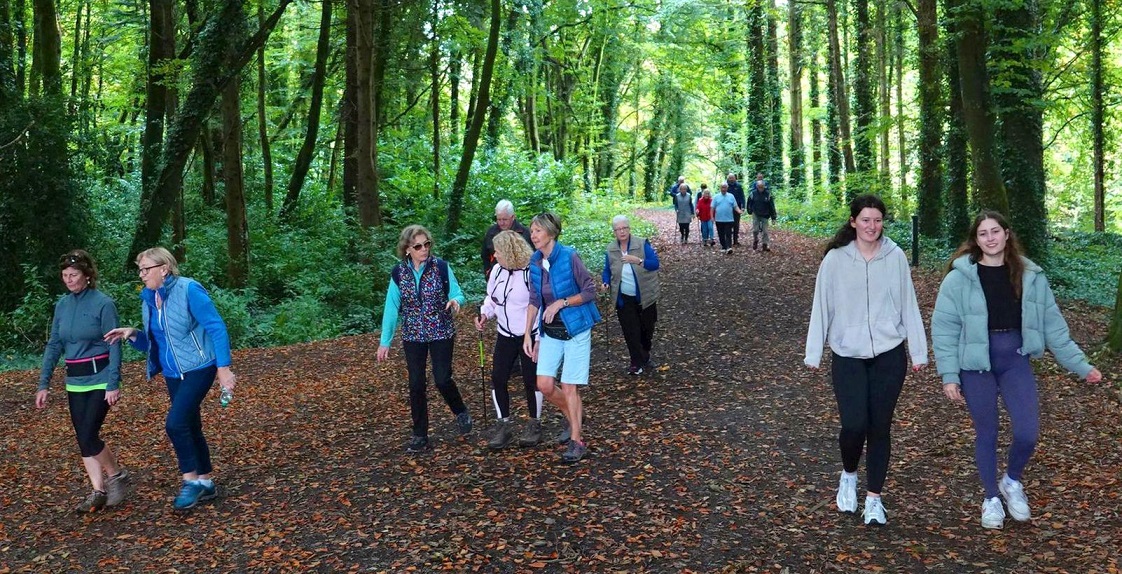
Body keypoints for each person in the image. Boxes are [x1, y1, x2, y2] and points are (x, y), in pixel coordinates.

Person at [931, 211, 1103, 530]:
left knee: (1027, 432)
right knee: (988, 432)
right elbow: (944, 329)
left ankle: (1011, 481)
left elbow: (1055, 329)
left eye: (995, 231)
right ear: (976, 240)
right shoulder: (958, 279)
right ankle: (991, 498)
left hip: (1015, 359)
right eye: (983, 234)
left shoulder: (1030, 276)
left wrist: (1082, 366)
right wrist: (949, 375)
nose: (990, 238)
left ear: (1007, 234)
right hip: (975, 365)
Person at [804, 195, 928, 526]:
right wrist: (814, 351)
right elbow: (822, 306)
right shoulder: (835, 260)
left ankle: (874, 498)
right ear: (853, 221)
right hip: (848, 356)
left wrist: (918, 351)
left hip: (889, 355)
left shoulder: (896, 256)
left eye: (877, 220)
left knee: (880, 427)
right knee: (854, 425)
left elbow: (908, 304)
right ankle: (848, 475)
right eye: (865, 220)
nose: (872, 226)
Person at [103, 247, 236, 511]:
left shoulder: (189, 290)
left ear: (164, 268)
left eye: (146, 269)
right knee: (190, 425)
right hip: (173, 372)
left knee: (175, 424)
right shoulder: (149, 299)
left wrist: (223, 368)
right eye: (140, 270)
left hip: (200, 367)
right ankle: (206, 482)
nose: (142, 275)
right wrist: (133, 334)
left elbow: (217, 327)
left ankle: (191, 482)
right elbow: (155, 344)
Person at [36, 250, 130, 512]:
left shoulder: (103, 304)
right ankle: (98, 491)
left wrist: (114, 383)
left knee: (89, 434)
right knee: (83, 438)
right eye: (65, 275)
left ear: (87, 276)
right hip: (74, 380)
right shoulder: (62, 306)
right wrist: (44, 383)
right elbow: (54, 345)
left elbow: (114, 346)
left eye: (74, 275)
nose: (69, 280)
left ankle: (116, 476)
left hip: (100, 378)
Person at [377, 225, 472, 453]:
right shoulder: (399, 273)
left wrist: (456, 301)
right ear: (407, 249)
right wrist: (385, 341)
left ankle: (460, 410)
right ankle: (420, 434)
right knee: (416, 384)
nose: (424, 249)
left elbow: (458, 293)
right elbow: (391, 306)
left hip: (441, 331)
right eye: (418, 246)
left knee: (442, 379)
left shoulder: (440, 267)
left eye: (426, 244)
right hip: (413, 335)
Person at [523, 212, 601, 463]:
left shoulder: (569, 257)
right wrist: (528, 334)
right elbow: (535, 300)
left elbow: (590, 290)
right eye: (531, 230)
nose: (532, 235)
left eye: (537, 230)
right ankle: (573, 413)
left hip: (576, 326)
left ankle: (577, 441)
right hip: (551, 331)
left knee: (569, 384)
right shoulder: (534, 262)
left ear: (551, 232)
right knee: (544, 384)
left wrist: (562, 302)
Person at [476, 230, 543, 449]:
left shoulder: (531, 271)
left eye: (498, 251)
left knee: (531, 380)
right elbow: (492, 299)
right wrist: (485, 314)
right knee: (498, 377)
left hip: (528, 334)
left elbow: (539, 303)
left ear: (509, 251)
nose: (494, 255)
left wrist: (539, 337)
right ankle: (503, 425)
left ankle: (535, 423)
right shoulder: (497, 271)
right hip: (505, 333)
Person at [601, 215, 660, 375]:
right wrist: (605, 281)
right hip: (624, 298)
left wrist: (638, 260)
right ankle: (636, 362)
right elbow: (607, 270)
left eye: (624, 228)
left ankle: (645, 353)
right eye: (618, 229)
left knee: (647, 330)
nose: (622, 231)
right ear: (614, 232)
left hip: (645, 296)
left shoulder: (642, 243)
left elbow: (655, 264)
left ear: (629, 228)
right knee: (630, 331)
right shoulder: (611, 249)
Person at [482, 199, 532, 279]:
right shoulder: (491, 232)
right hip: (496, 277)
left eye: (505, 219)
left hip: (521, 278)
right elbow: (485, 256)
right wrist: (488, 273)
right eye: (499, 219)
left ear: (513, 217)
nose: (501, 223)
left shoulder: (525, 233)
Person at [747, 178, 778, 252]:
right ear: (757, 186)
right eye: (759, 186)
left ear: (764, 186)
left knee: (765, 231)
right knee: (755, 230)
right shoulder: (753, 194)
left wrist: (773, 217)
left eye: (762, 186)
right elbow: (749, 203)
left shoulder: (768, 194)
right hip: (756, 213)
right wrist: (749, 211)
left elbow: (772, 206)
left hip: (765, 214)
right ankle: (755, 239)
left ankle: (765, 244)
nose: (761, 188)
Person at [712, 182, 742, 254]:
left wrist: (739, 211)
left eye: (725, 187)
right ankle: (723, 246)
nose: (723, 189)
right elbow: (712, 208)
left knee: (728, 233)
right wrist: (712, 217)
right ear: (720, 188)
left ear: (727, 188)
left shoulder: (731, 196)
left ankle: (729, 247)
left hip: (729, 219)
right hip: (719, 219)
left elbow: (735, 206)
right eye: (722, 187)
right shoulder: (716, 197)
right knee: (721, 233)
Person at [726, 173, 746, 246]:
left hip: (737, 208)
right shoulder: (725, 186)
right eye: (730, 178)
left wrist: (743, 206)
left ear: (735, 178)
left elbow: (742, 197)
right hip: (727, 209)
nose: (731, 179)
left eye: (732, 178)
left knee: (736, 225)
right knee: (728, 224)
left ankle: (735, 240)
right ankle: (728, 241)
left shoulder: (738, 186)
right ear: (728, 178)